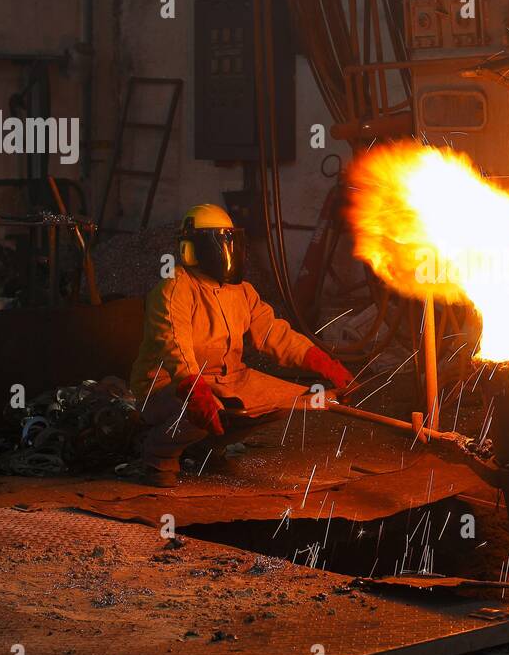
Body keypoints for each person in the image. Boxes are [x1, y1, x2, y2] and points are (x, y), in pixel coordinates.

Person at [124, 204, 353, 486]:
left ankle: (206, 448)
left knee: (286, 400)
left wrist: (319, 360)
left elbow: (273, 333)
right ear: (194, 249)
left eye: (230, 242)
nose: (227, 251)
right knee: (203, 408)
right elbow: (176, 348)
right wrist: (194, 392)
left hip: (225, 380)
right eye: (219, 244)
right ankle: (158, 455)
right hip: (168, 385)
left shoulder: (242, 291)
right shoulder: (174, 290)